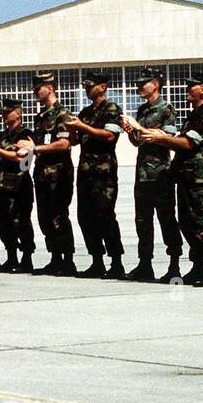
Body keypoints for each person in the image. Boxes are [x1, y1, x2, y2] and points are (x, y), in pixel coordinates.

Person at [138, 72, 203, 286]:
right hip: (186, 175)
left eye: (192, 86)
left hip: (200, 176)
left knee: (201, 221)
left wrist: (162, 138)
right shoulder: (194, 114)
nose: (188, 90)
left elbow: (188, 144)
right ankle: (197, 266)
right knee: (187, 221)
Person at [65, 70, 125, 279]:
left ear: (103, 86)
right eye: (86, 86)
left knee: (105, 216)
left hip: (103, 172)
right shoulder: (85, 112)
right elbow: (74, 141)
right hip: (85, 172)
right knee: (86, 217)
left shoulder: (111, 109)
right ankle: (96, 260)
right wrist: (73, 129)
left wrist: (83, 127)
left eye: (91, 86)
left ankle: (116, 262)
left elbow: (109, 136)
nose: (87, 89)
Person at [124, 69, 182, 283]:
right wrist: (132, 131)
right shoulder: (142, 109)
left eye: (144, 83)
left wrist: (141, 129)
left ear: (155, 84)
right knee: (142, 221)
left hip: (160, 174)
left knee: (166, 220)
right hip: (143, 174)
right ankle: (145, 264)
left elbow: (167, 137)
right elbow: (139, 141)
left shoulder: (166, 109)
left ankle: (174, 265)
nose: (139, 87)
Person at [31, 72, 76, 275]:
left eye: (38, 88)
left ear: (49, 88)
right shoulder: (41, 117)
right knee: (45, 217)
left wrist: (35, 149)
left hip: (59, 175)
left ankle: (67, 260)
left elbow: (64, 144)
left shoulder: (62, 114)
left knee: (59, 215)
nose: (35, 92)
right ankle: (55, 257)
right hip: (42, 175)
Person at [0, 98, 36, 271]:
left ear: (18, 113)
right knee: (3, 222)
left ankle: (27, 258)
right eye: (3, 112)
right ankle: (12, 256)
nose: (4, 115)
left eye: (8, 112)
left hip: (20, 184)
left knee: (21, 222)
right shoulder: (4, 135)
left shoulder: (25, 134)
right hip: (3, 185)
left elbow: (22, 159)